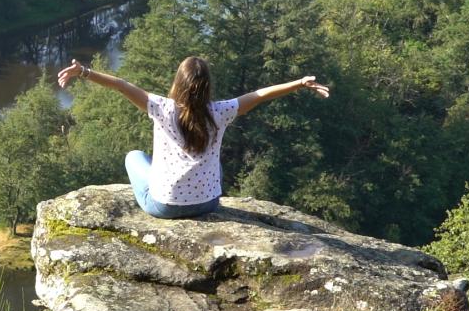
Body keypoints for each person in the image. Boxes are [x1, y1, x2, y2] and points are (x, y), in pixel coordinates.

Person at [56, 55, 330, 219]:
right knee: (214, 163)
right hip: (207, 204)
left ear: (178, 83)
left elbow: (120, 85)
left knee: (135, 157)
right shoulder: (220, 111)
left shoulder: (161, 108)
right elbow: (260, 95)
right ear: (207, 87)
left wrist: (84, 71)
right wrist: (298, 84)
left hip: (163, 206)